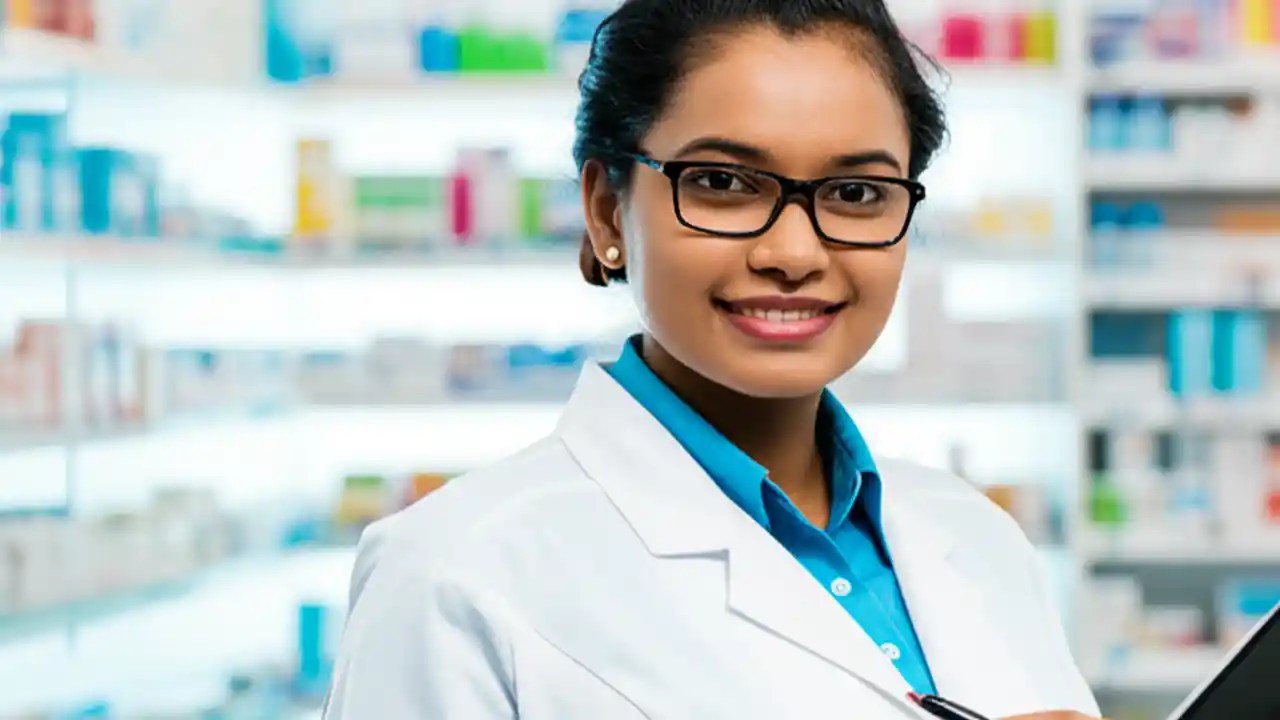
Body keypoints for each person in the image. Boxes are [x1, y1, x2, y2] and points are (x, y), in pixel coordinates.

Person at [324, 1, 1106, 718]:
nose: (795, 252)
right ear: (606, 210)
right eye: (723, 182)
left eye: (858, 193)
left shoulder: (978, 535)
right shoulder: (452, 575)